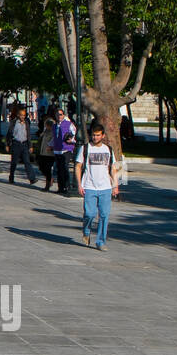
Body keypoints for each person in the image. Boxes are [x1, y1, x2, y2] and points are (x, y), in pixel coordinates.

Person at [76, 121, 120, 251]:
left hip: (105, 187)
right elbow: (78, 166)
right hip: (89, 186)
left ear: (103, 135)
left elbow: (113, 168)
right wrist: (79, 184)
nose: (95, 137)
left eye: (97, 135)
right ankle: (86, 231)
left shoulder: (108, 150)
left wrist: (115, 185)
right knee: (89, 214)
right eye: (93, 135)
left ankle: (100, 241)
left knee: (104, 215)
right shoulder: (85, 148)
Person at [6, 104, 39, 185]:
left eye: (24, 115)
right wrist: (7, 144)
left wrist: (30, 146)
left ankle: (32, 178)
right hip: (16, 143)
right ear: (18, 115)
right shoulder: (14, 123)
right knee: (14, 162)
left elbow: (28, 135)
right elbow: (9, 134)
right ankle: (11, 177)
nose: (23, 117)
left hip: (24, 144)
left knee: (27, 161)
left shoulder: (26, 123)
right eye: (21, 115)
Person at [52, 107, 76, 194]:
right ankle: (60, 187)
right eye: (57, 114)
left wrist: (72, 140)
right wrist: (50, 145)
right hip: (57, 150)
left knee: (64, 167)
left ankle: (67, 186)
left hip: (66, 149)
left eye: (61, 114)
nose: (59, 116)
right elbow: (54, 137)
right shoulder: (54, 126)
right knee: (59, 169)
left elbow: (75, 133)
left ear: (64, 115)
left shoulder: (68, 124)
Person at [37, 116, 57, 192]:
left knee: (47, 169)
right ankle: (50, 179)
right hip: (42, 152)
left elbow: (54, 142)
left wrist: (51, 148)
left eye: (47, 125)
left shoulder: (54, 132)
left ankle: (47, 185)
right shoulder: (45, 131)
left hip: (50, 154)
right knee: (41, 167)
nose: (46, 126)